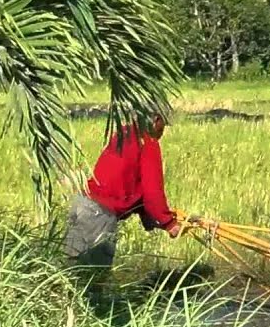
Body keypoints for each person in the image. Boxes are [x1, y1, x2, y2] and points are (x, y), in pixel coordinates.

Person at [63, 112, 181, 277]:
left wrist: (154, 220)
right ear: (155, 120)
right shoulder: (147, 142)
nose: (163, 132)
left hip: (82, 204)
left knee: (69, 271)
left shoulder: (124, 133)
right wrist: (169, 224)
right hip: (100, 216)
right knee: (93, 280)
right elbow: (152, 192)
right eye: (163, 125)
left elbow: (130, 186)